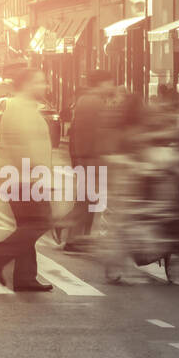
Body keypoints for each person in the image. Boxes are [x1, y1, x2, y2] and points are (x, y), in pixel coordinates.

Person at [0, 67, 53, 292]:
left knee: (28, 225)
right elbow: (26, 150)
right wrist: (40, 177)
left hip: (21, 177)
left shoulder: (20, 107)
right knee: (39, 223)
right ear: (26, 84)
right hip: (25, 179)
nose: (44, 86)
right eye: (39, 82)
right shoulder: (20, 110)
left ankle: (25, 277)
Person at [60, 70, 116, 252]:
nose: (112, 86)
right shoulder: (94, 102)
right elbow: (99, 134)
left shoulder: (87, 100)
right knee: (86, 201)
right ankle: (69, 232)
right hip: (91, 159)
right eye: (110, 82)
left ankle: (78, 237)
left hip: (87, 158)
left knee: (88, 201)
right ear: (101, 83)